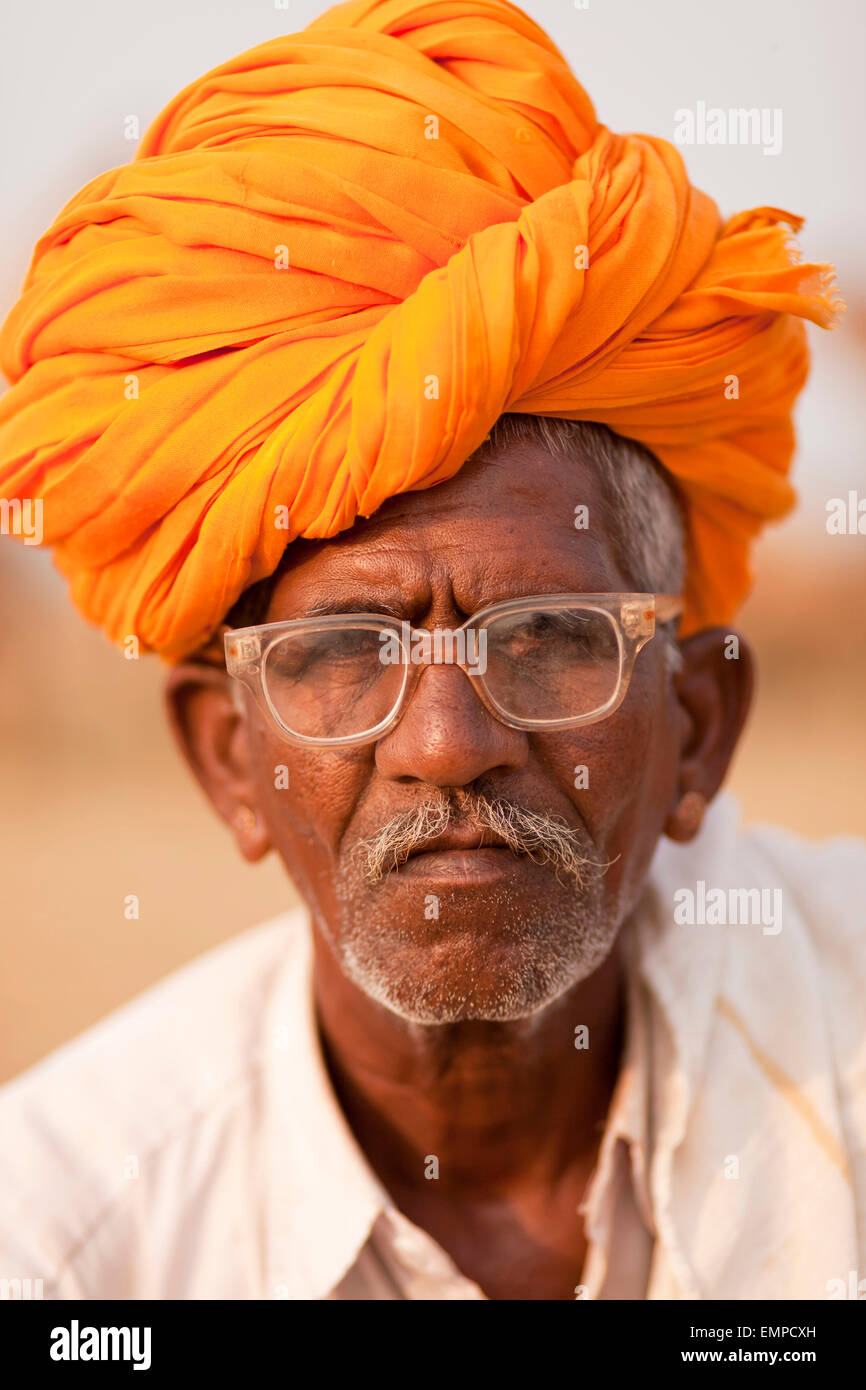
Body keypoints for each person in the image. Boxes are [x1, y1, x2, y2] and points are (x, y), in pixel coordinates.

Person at [0, 0, 860, 1301]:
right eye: (346, 653)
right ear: (228, 759)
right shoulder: (68, 1244)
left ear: (696, 724)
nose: (448, 744)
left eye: (553, 639)